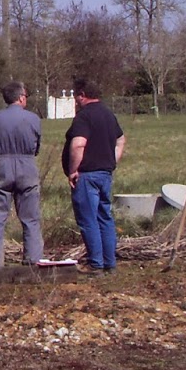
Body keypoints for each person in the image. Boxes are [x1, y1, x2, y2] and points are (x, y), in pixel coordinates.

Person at [64, 78, 126, 272]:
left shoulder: (84, 117)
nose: (76, 100)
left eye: (76, 96)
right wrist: (112, 160)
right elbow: (121, 140)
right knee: (105, 218)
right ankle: (110, 263)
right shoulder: (108, 114)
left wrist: (73, 170)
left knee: (88, 219)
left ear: (82, 95)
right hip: (105, 174)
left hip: (87, 175)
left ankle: (96, 264)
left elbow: (78, 145)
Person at [0, 80, 43, 267]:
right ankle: (33, 262)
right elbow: (36, 146)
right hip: (26, 165)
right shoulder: (33, 119)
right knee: (31, 219)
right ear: (21, 98)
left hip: (1, 164)